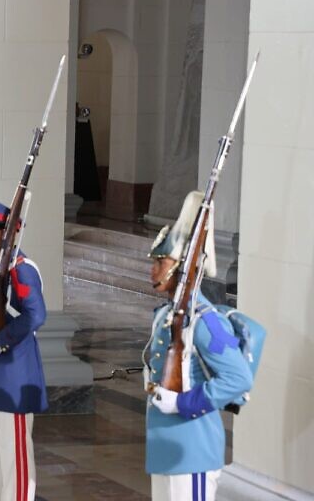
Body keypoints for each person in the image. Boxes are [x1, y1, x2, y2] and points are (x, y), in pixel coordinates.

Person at [145, 190, 253, 501]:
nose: (153, 270)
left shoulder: (205, 321)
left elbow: (238, 378)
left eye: (160, 262)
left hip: (193, 446)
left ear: (181, 266)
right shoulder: (166, 315)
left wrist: (183, 404)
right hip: (165, 444)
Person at [0, 200, 47, 501]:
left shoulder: (22, 271)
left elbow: (36, 315)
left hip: (15, 377)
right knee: (0, 461)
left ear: (9, 234)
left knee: (15, 461)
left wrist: (2, 339)